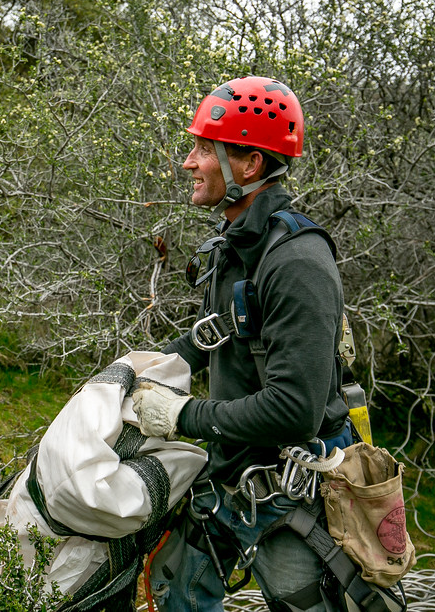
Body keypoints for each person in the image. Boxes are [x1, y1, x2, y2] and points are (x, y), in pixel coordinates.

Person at [132, 76, 352, 611]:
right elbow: (216, 331)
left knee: (301, 600)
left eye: (205, 148)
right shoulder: (240, 244)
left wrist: (183, 415)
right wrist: (146, 369)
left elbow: (294, 410)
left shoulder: (298, 262)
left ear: (249, 165)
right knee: (173, 583)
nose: (189, 162)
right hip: (237, 466)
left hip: (289, 482)